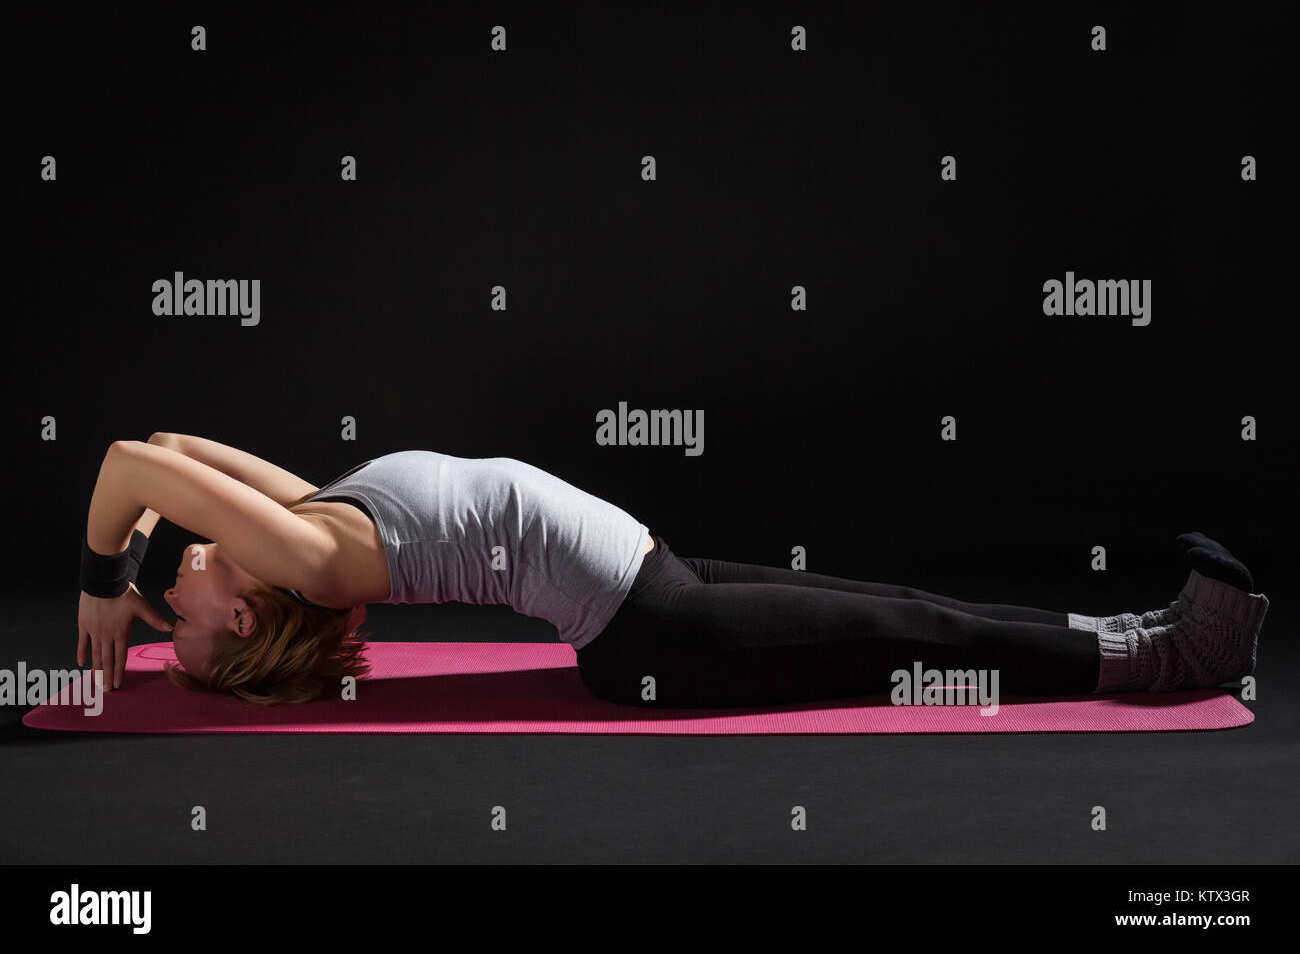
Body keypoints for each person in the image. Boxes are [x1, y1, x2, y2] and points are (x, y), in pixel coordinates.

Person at [76, 434, 1269, 708]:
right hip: (651, 632)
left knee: (893, 604)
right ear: (246, 604)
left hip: (656, 578)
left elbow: (167, 450)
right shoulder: (313, 556)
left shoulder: (302, 520)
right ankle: (1171, 655)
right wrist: (100, 578)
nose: (169, 587)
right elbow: (134, 462)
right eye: (181, 614)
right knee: (908, 625)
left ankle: (1135, 624)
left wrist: (121, 588)